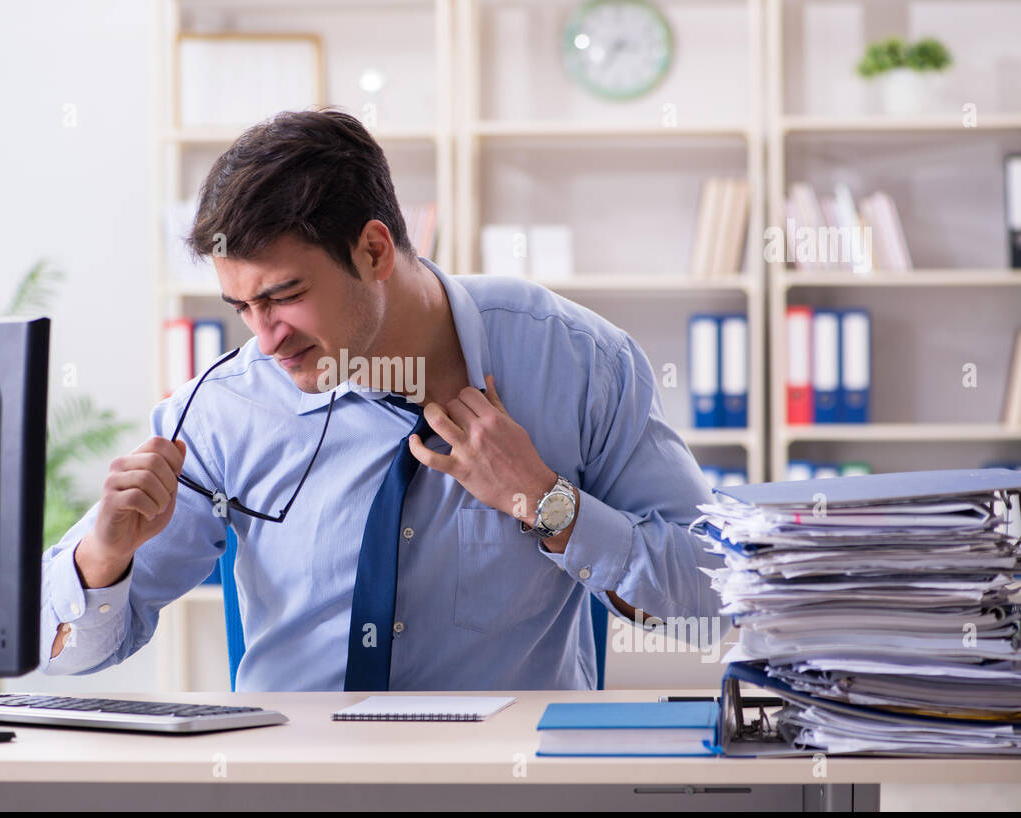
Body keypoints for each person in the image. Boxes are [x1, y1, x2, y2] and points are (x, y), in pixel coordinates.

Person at [38, 107, 725, 691]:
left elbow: (717, 597)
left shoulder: (576, 363)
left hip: (500, 787)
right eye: (242, 307)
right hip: (296, 787)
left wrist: (548, 503)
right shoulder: (223, 408)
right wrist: (103, 556)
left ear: (372, 249)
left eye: (283, 297)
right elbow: (68, 652)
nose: (266, 338)